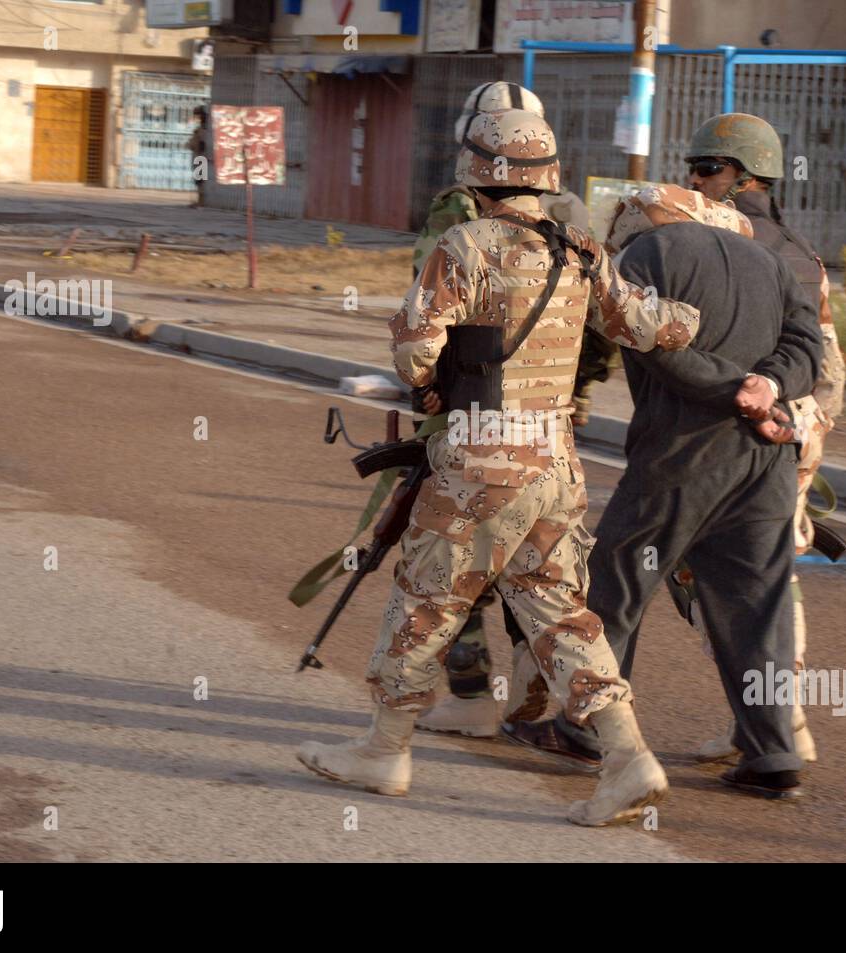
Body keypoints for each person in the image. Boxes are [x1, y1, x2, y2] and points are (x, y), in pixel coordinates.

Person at [296, 109, 701, 826]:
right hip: (555, 460)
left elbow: (414, 353)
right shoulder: (579, 250)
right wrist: (710, 308)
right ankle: (628, 754)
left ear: (477, 175)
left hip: (480, 460)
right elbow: (649, 325)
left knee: (426, 599)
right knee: (556, 607)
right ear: (545, 178)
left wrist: (428, 379)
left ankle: (385, 750)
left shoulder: (462, 245)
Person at [505, 183, 823, 798]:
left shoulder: (646, 258)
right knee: (759, 609)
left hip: (683, 458)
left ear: (634, 225)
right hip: (767, 461)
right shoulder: (771, 262)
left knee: (613, 584)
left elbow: (657, 348)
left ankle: (586, 731)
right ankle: (774, 755)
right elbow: (807, 347)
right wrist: (768, 386)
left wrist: (734, 389)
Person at [408, 81, 601, 740]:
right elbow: (604, 323)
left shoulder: (457, 213)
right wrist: (577, 395)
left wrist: (425, 390)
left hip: (470, 409)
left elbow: (428, 312)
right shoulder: (575, 218)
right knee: (541, 555)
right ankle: (539, 676)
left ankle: (467, 694)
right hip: (551, 415)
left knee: (450, 560)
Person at [684, 112, 846, 764]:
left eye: (705, 169)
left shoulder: (716, 244)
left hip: (736, 431)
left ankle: (777, 722)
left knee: (722, 574)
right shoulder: (803, 253)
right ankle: (768, 720)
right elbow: (831, 367)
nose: (692, 180)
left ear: (743, 176)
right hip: (794, 427)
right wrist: (809, 432)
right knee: (767, 571)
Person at [188, 106, 210, 208]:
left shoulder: (204, 130)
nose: (198, 118)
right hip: (199, 157)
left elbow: (199, 144)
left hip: (202, 157)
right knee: (199, 180)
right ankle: (200, 201)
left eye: (199, 116)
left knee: (201, 180)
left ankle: (201, 201)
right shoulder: (200, 129)